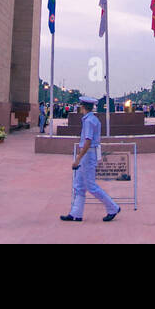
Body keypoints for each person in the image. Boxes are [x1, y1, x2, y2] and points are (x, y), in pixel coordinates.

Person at [60, 95, 120, 223]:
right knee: (79, 185)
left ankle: (113, 207)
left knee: (91, 186)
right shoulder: (93, 119)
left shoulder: (88, 121)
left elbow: (88, 141)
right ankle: (75, 213)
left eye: (81, 105)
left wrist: (78, 158)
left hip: (87, 154)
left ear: (83, 106)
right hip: (89, 153)